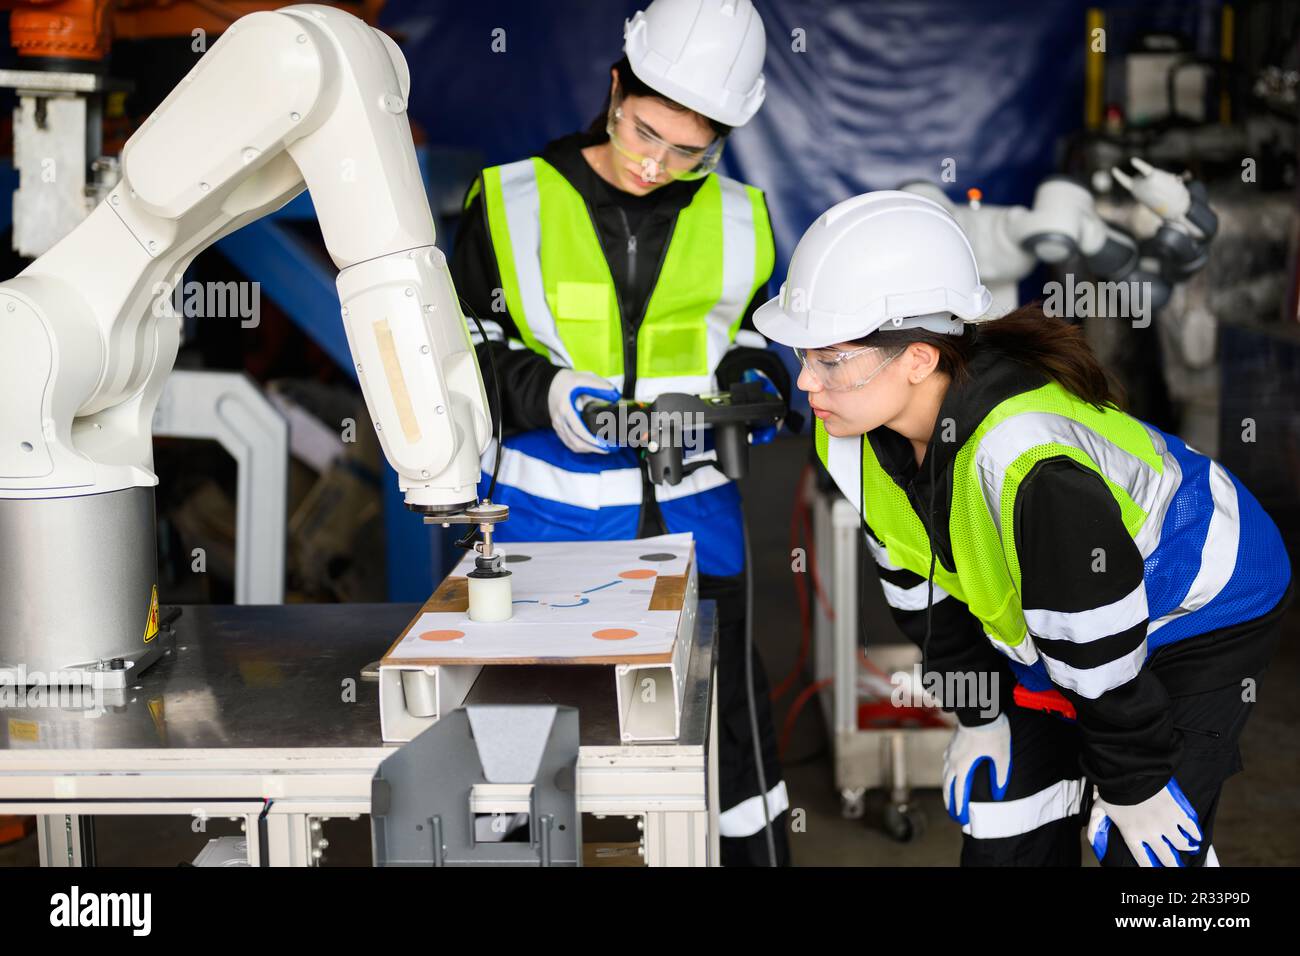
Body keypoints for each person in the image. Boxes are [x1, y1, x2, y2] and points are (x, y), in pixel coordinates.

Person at [755, 190, 1293, 866]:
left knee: (1145, 854)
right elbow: (922, 598)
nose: (806, 382)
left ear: (919, 358)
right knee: (1005, 827)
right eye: (804, 354)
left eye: (830, 359)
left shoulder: (1030, 466)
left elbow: (1093, 640)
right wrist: (980, 714)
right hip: (1072, 626)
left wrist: (1132, 782)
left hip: (1200, 600)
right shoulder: (853, 441)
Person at [449, 0, 792, 865]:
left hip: (693, 525)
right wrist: (549, 394)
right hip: (538, 530)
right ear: (615, 88)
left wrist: (749, 392)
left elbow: (756, 348)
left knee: (731, 737)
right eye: (645, 132)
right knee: (515, 747)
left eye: (689, 149)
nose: (656, 163)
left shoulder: (742, 217)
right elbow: (457, 359)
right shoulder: (508, 198)